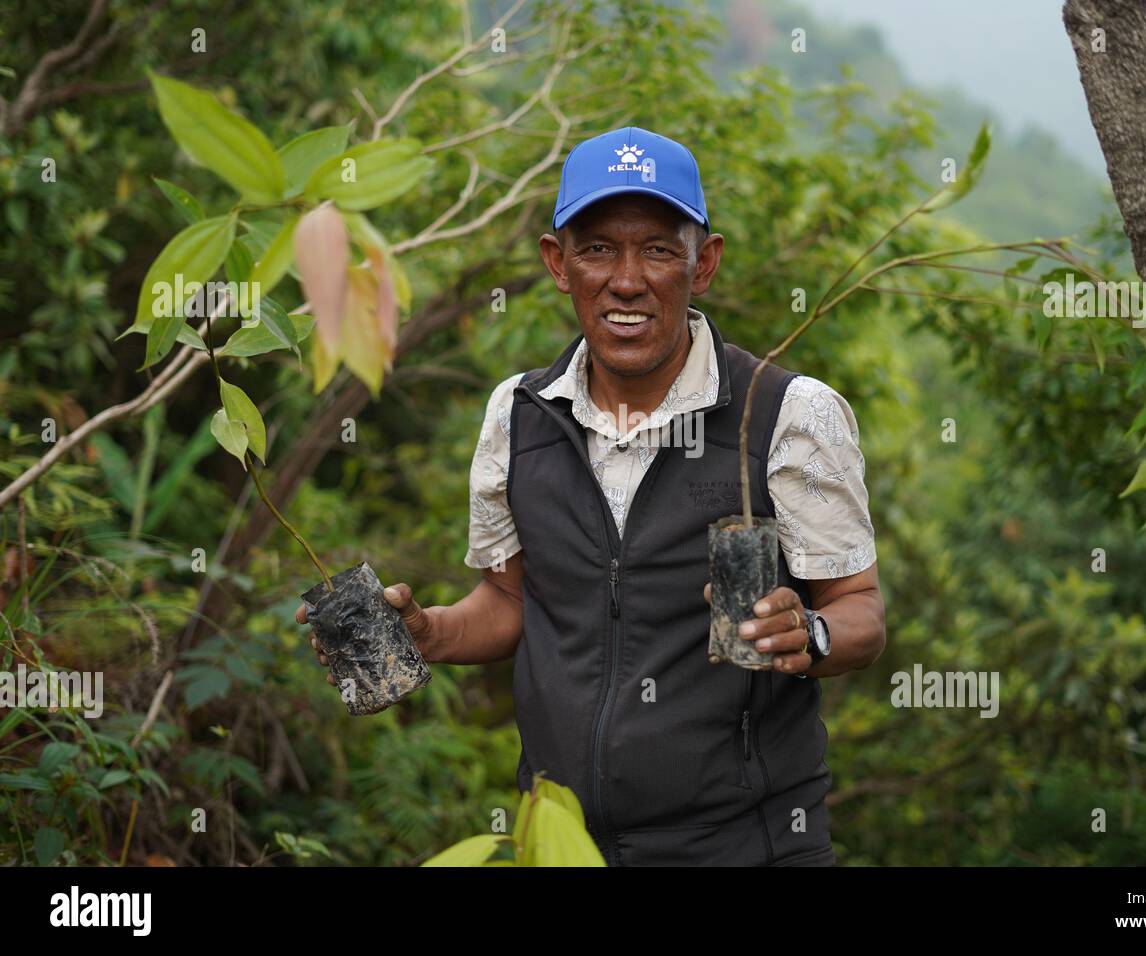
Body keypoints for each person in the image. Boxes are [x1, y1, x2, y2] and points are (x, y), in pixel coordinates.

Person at [297, 126, 886, 866]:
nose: (627, 279)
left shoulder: (789, 413)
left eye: (659, 250)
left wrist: (811, 635)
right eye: (598, 248)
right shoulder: (518, 414)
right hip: (561, 840)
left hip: (746, 844)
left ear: (703, 264)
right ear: (559, 264)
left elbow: (859, 608)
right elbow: (512, 603)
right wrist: (430, 633)